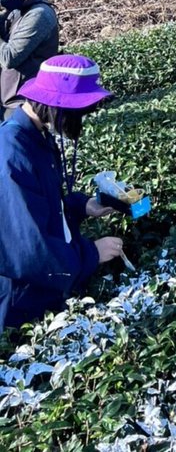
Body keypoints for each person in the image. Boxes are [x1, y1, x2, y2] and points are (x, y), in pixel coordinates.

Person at [0, 54, 124, 334]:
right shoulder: (12, 155)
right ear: (57, 106)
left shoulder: (37, 137)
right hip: (22, 304)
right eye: (78, 112)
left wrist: (84, 206)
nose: (80, 120)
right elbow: (29, 249)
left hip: (43, 290)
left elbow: (45, 206)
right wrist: (91, 253)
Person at [0, 0, 60, 119]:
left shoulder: (39, 15)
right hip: (8, 99)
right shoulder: (18, 9)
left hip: (22, 105)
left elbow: (9, 58)